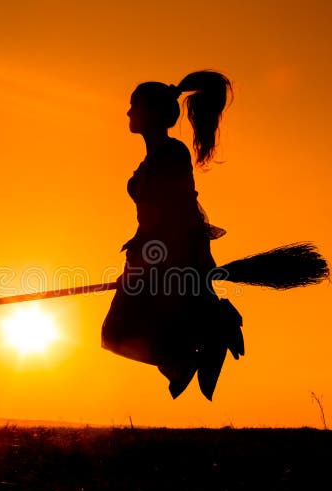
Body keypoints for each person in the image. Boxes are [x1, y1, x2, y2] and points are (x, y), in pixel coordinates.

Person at [101, 70, 245, 400]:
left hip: (166, 257)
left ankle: (191, 350)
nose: (127, 113)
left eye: (133, 105)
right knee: (118, 334)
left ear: (150, 113)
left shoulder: (171, 154)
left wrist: (154, 260)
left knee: (116, 334)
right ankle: (191, 350)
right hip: (151, 254)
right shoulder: (156, 156)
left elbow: (179, 211)